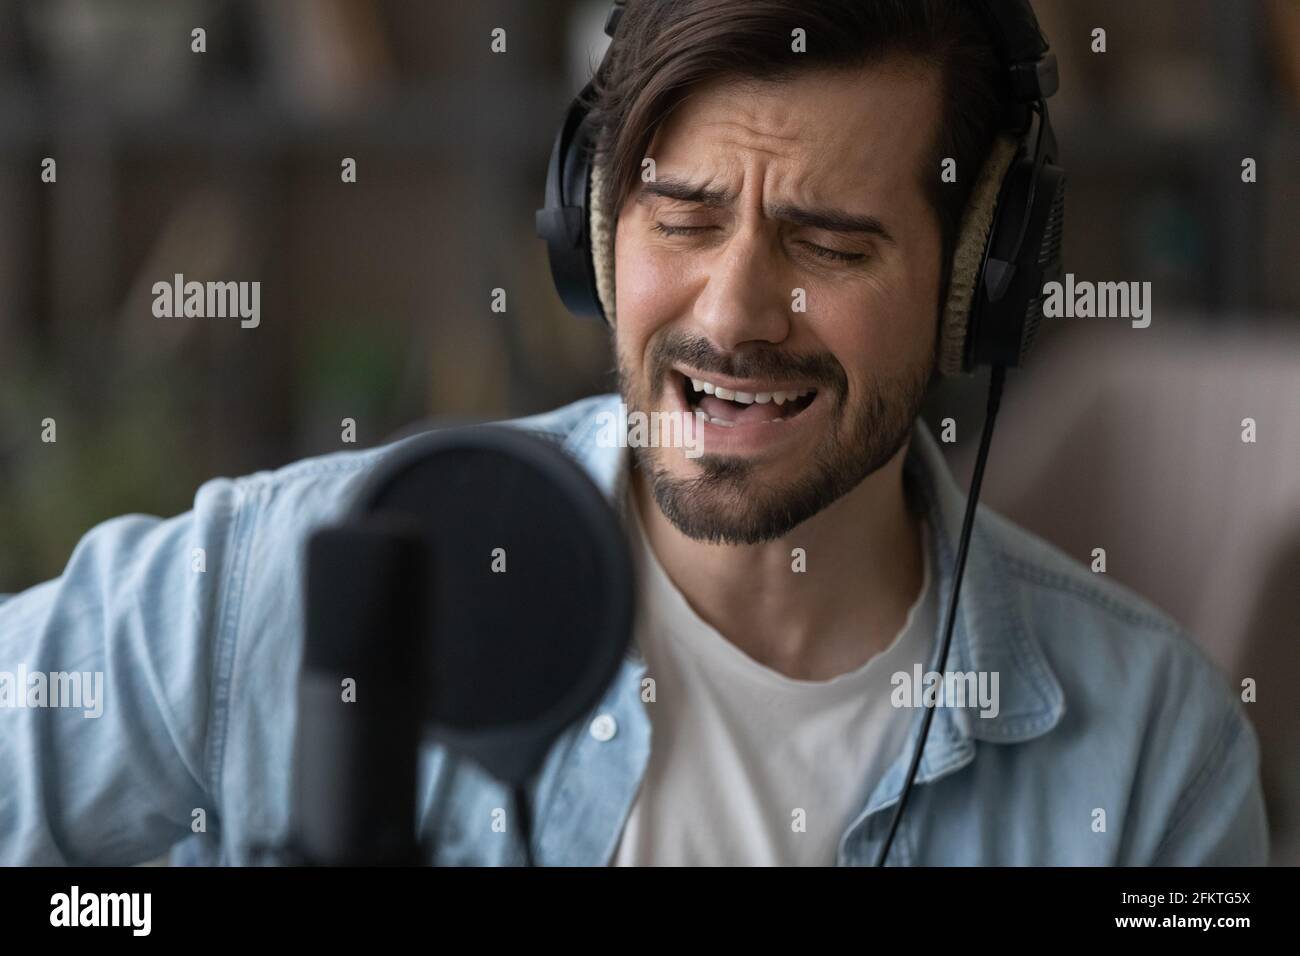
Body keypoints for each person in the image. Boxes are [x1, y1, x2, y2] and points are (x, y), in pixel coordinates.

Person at [0, 0, 1266, 865]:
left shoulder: (1151, 747)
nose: (732, 315)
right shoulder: (304, 574)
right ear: (588, 230)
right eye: (681, 217)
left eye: (831, 242)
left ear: (975, 289)